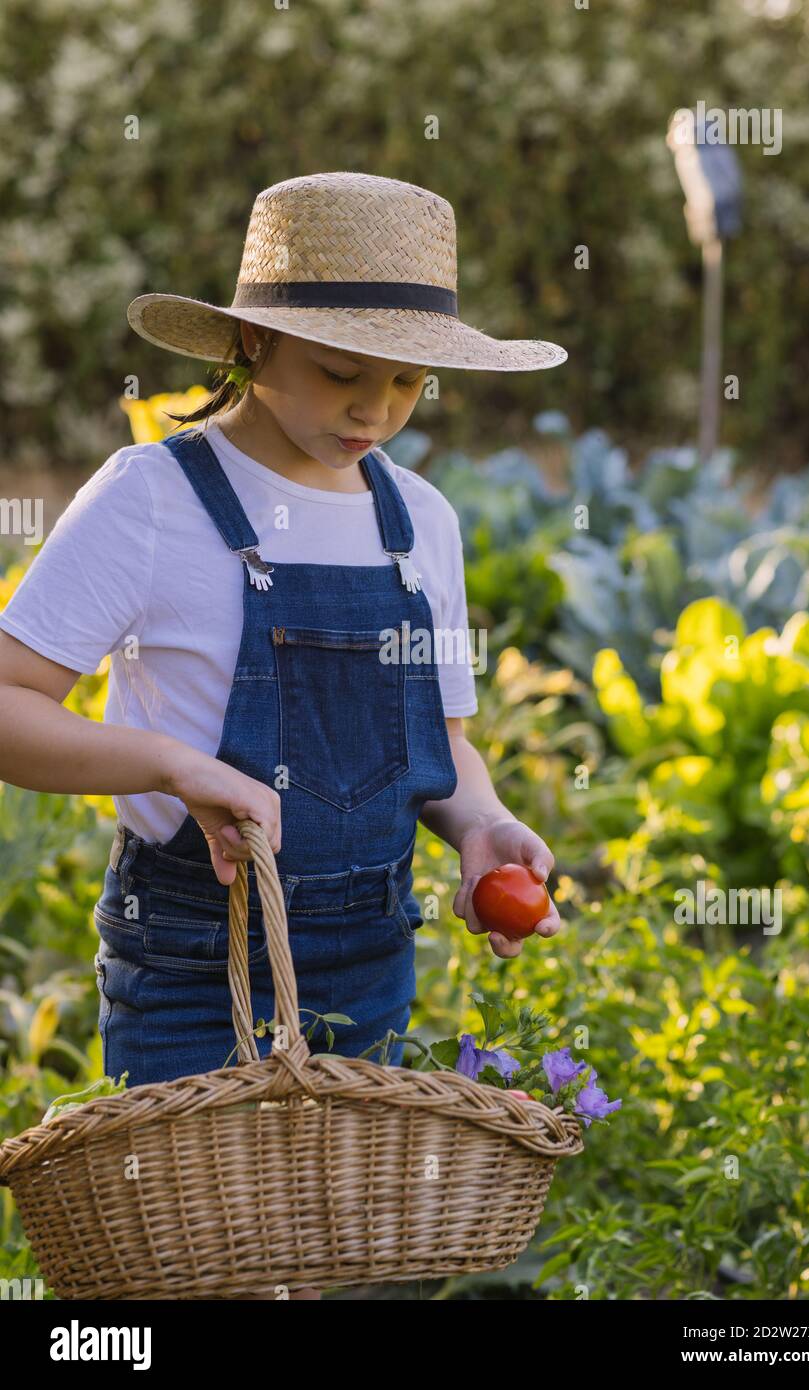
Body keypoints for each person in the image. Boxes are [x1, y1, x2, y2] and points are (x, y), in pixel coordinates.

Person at [0, 172, 567, 1297]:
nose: (374, 410)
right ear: (252, 343)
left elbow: (438, 742)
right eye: (342, 372)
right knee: (182, 1273)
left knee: (333, 1264)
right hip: (190, 952)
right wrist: (174, 764)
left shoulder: (420, 524)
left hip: (366, 951)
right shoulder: (150, 498)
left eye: (407, 381)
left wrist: (483, 823)